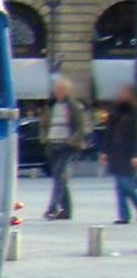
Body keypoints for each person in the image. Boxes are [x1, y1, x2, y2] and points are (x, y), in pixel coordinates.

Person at [40, 77, 88, 220]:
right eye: (57, 89)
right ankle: (67, 210)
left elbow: (81, 127)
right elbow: (43, 124)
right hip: (52, 143)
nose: (58, 92)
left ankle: (52, 208)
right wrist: (44, 138)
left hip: (67, 146)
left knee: (58, 175)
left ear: (66, 91)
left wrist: (72, 141)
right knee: (60, 178)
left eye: (61, 90)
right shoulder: (50, 105)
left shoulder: (73, 106)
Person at [102, 83, 137, 225]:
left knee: (125, 183)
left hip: (128, 153)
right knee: (119, 185)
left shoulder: (134, 113)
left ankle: (125, 214)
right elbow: (109, 132)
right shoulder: (115, 112)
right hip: (116, 152)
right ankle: (123, 215)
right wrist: (105, 151)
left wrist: (135, 154)